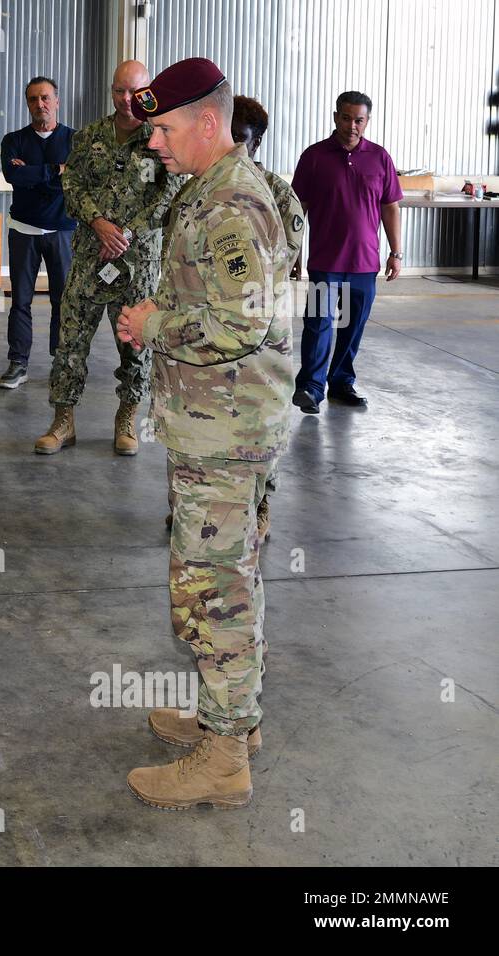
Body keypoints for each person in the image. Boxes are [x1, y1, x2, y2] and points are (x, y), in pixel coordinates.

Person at [116, 58, 292, 810]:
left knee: (213, 586)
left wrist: (155, 324)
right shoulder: (215, 189)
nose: (153, 141)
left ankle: (223, 757)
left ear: (207, 123)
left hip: (225, 430)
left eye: (161, 128)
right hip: (215, 424)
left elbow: (241, 321)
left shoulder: (231, 205)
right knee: (229, 576)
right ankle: (232, 720)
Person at [35, 60, 183, 456]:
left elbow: (169, 195)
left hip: (137, 262)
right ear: (111, 91)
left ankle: (126, 420)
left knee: (135, 342)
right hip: (89, 257)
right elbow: (72, 182)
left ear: (147, 91)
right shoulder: (90, 136)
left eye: (135, 92)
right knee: (70, 341)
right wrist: (99, 222)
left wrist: (126, 232)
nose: (127, 100)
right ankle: (63, 422)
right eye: (120, 91)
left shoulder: (161, 137)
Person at [290, 91, 403, 413]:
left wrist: (396, 253)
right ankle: (311, 388)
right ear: (335, 116)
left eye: (359, 120)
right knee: (317, 323)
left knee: (353, 328)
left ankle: (341, 384)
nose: (352, 126)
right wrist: (294, 253)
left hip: (365, 264)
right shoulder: (314, 157)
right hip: (324, 263)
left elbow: (391, 207)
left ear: (367, 121)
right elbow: (300, 209)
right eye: (346, 118)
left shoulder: (380, 158)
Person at [231, 95, 305, 539]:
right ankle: (199, 507)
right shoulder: (203, 187)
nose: (235, 148)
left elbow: (273, 270)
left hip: (259, 336)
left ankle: (260, 505)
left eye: (242, 140)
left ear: (256, 142)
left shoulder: (278, 195)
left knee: (260, 426)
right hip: (206, 332)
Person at [0, 76, 77, 389]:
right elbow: (13, 174)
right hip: (23, 231)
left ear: (57, 101)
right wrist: (56, 169)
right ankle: (18, 364)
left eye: (45, 98)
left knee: (62, 301)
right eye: (33, 99)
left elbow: (73, 182)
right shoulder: (13, 140)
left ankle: (60, 363)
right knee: (20, 301)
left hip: (62, 231)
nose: (39, 104)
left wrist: (32, 174)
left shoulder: (75, 141)